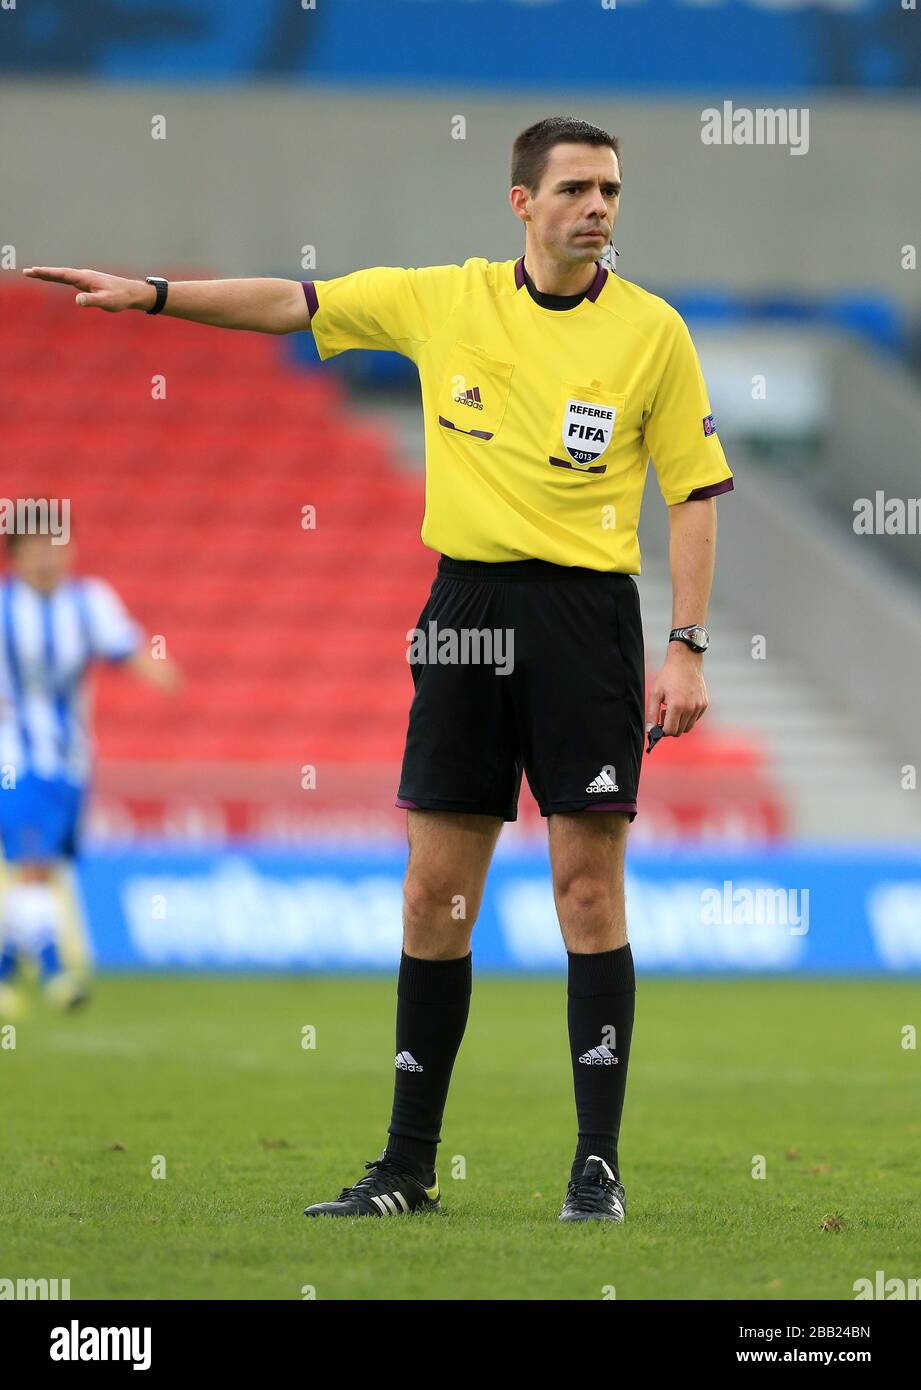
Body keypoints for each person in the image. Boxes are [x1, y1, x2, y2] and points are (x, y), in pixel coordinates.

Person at [23, 114, 732, 1222]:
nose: (600, 208)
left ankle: (596, 1165)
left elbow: (691, 493)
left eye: (613, 190)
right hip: (465, 609)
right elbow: (291, 305)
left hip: (588, 618)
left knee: (587, 889)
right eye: (579, 189)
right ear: (522, 203)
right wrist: (160, 294)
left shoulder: (654, 333)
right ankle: (407, 1167)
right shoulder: (442, 298)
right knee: (432, 894)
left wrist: (686, 644)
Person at [0, 528, 179, 1016]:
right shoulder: (4, 607)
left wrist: (158, 671)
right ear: (14, 555)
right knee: (32, 865)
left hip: (72, 760)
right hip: (14, 760)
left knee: (44, 866)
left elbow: (126, 648)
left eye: (55, 546)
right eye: (35, 548)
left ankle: (5, 974)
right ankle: (58, 975)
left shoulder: (89, 600)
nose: (48, 557)